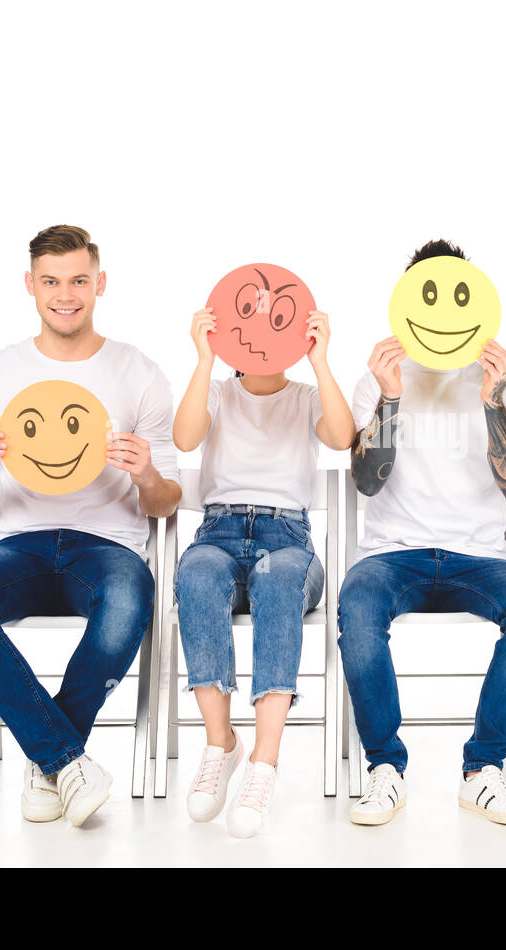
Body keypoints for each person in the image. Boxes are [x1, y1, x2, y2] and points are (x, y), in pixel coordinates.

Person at [0, 225, 180, 826]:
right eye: (50, 281)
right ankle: (65, 760)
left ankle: (49, 761)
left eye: (78, 281)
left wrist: (147, 474)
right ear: (30, 285)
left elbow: (167, 502)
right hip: (17, 547)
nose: (64, 295)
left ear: (100, 283)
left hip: (109, 547)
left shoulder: (139, 372)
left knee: (129, 603)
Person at [338, 239, 506, 828]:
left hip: (479, 557)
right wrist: (390, 397)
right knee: (358, 606)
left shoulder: (497, 382)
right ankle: (385, 767)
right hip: (392, 555)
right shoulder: (377, 379)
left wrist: (493, 402)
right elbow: (367, 482)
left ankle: (483, 770)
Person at [171, 300, 354, 838]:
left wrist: (321, 361)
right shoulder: (218, 392)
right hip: (218, 533)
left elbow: (343, 438)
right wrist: (204, 359)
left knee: (275, 583)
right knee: (196, 575)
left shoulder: (306, 396)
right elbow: (184, 438)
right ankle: (220, 744)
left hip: (287, 538)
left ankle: (264, 762)